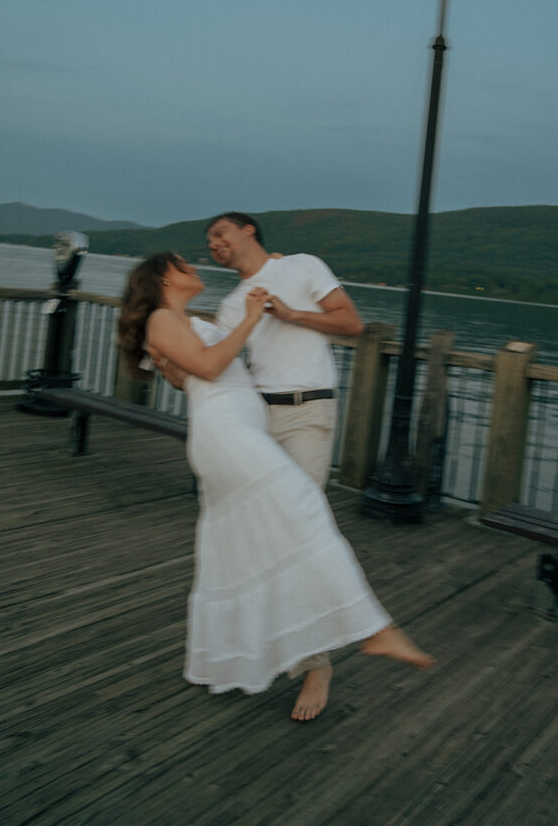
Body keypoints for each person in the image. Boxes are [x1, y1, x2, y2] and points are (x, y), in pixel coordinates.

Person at [118, 251, 435, 721]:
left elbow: (198, 373)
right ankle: (371, 628)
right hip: (228, 436)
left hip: (235, 429)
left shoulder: (176, 320)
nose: (196, 266)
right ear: (165, 276)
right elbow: (210, 367)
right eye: (186, 264)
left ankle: (226, 658)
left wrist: (177, 367)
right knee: (302, 506)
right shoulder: (163, 318)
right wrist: (247, 318)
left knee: (238, 547)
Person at [205, 212, 363, 718]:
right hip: (256, 416)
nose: (213, 244)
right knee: (249, 537)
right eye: (208, 241)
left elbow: (351, 324)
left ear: (248, 231)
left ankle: (315, 664)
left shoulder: (302, 266)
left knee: (295, 533)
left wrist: (293, 315)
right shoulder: (232, 304)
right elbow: (219, 363)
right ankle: (247, 655)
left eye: (219, 234)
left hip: (307, 412)